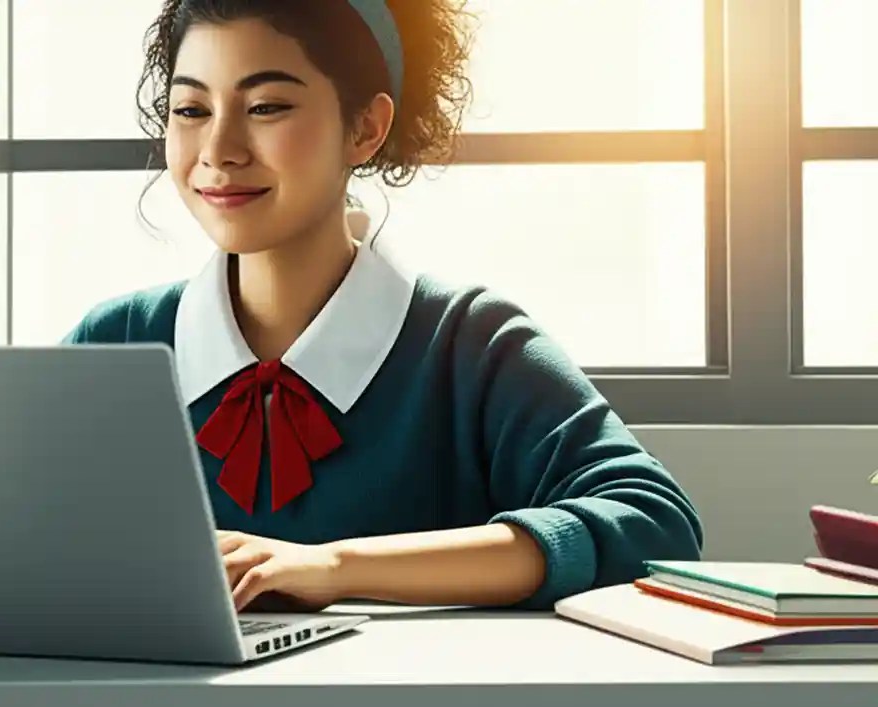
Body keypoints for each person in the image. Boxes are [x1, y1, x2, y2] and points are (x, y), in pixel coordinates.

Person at [63, 0, 703, 612]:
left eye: (266, 106)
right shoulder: (115, 342)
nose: (219, 149)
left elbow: (656, 525)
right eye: (191, 109)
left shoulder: (469, 345)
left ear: (365, 127)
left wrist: (338, 568)